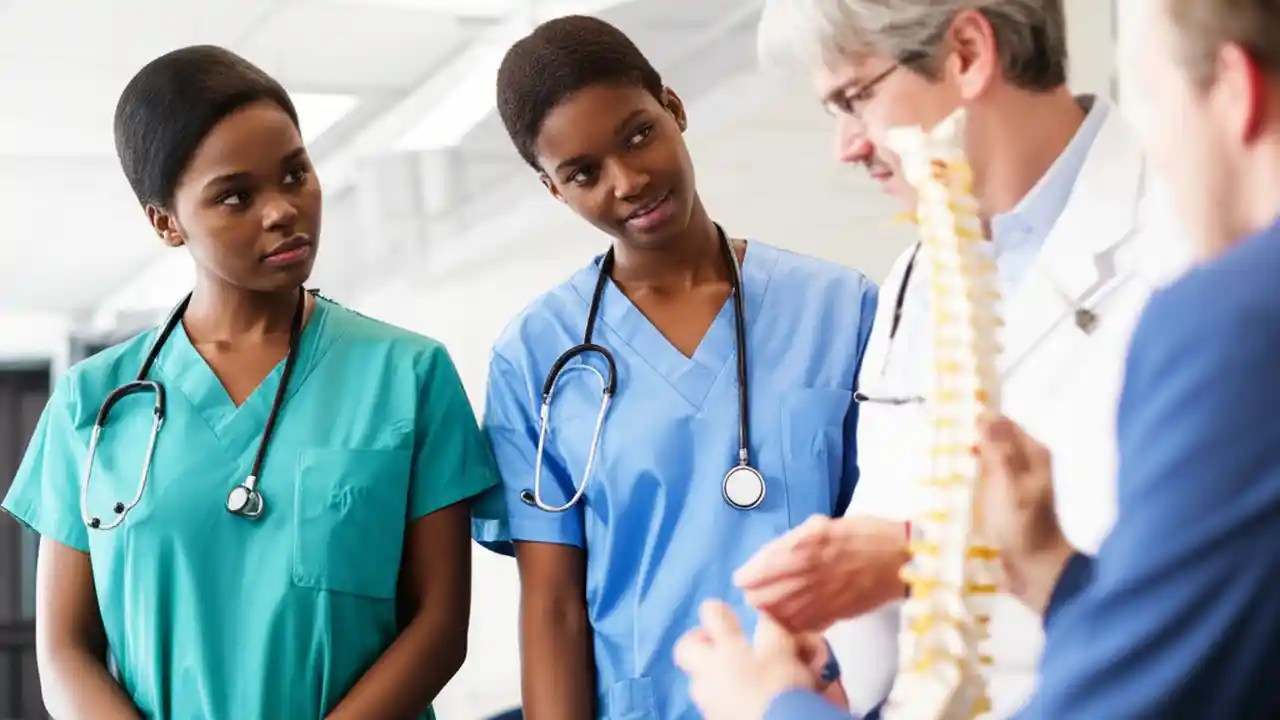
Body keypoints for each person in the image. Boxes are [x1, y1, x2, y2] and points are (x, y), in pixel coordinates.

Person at [674, 0, 1280, 717]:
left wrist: (915, 562)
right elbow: (904, 503)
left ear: (966, 53)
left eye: (854, 99)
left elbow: (1178, 584)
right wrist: (823, 670)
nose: (846, 145)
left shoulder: (1204, 264)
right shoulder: (911, 281)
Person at [0, 45, 499, 719]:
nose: (281, 211)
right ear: (166, 222)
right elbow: (65, 651)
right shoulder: (92, 405)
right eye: (236, 195)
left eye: (295, 173)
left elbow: (438, 628)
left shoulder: (408, 374)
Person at [468, 15, 877, 720]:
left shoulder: (841, 309)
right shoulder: (536, 355)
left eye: (638, 134)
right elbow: (554, 609)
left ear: (674, 108)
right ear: (553, 189)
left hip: (824, 701)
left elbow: (893, 537)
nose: (628, 181)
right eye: (584, 173)